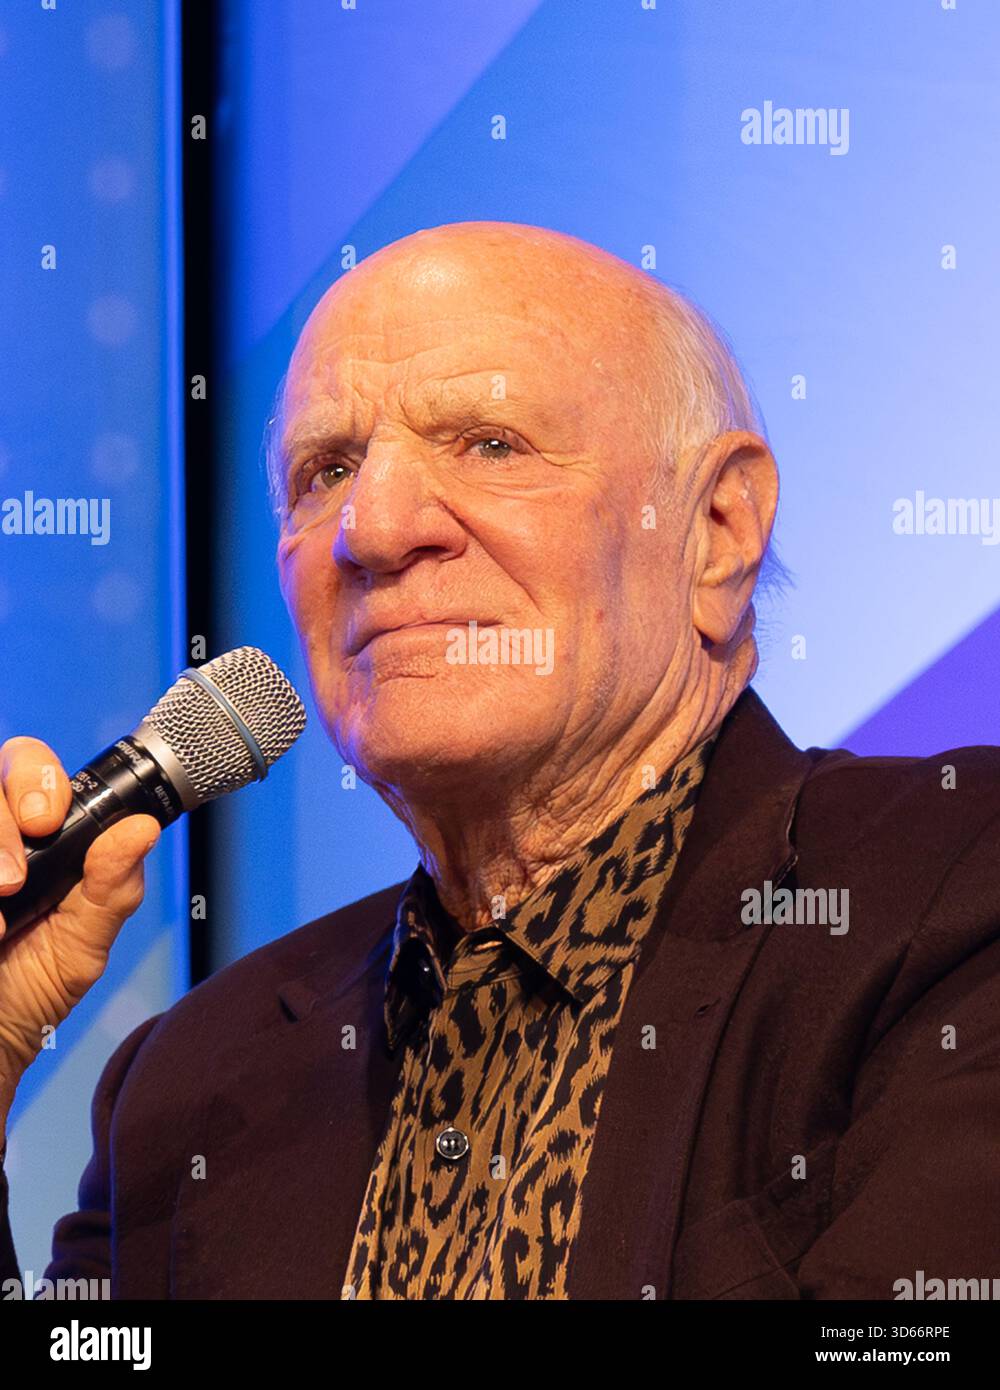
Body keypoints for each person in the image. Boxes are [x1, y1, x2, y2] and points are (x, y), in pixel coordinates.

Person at [2, 222, 998, 1300]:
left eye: (489, 444)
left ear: (715, 527)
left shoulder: (953, 895)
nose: (373, 531)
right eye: (326, 469)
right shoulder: (187, 1081)